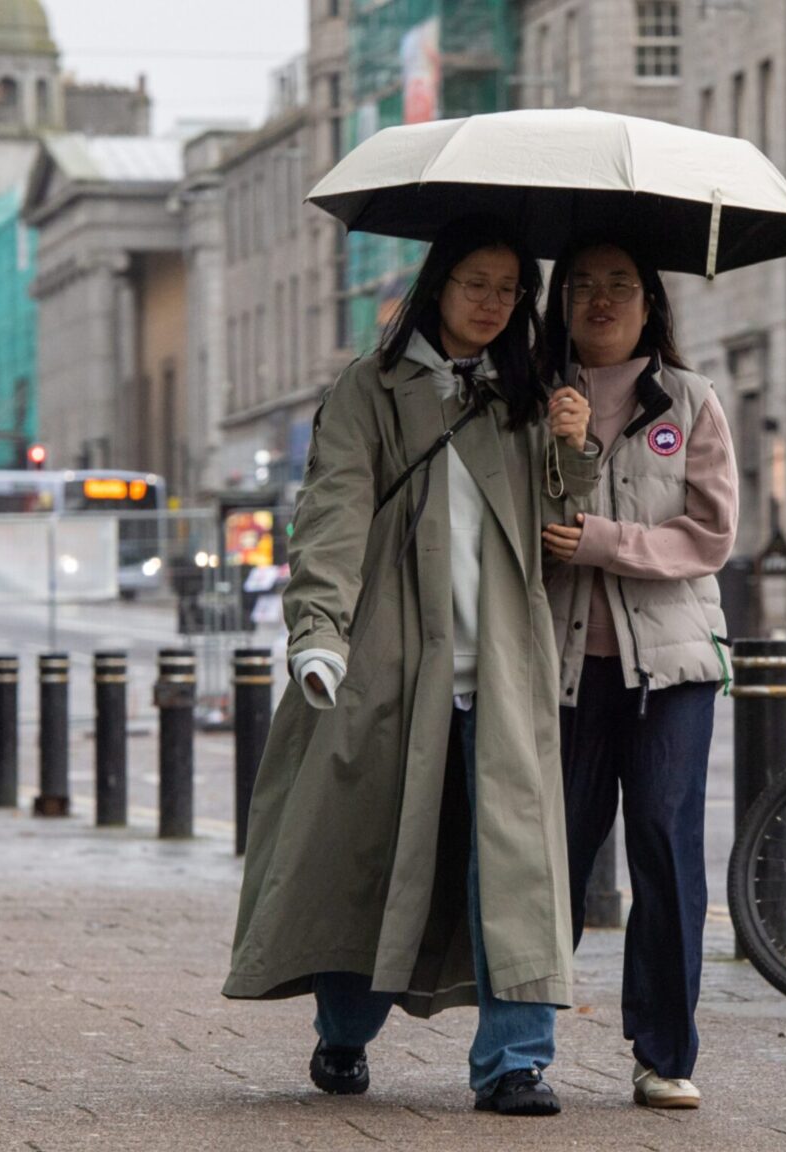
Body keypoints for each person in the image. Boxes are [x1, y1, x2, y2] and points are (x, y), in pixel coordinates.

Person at [223, 216, 598, 1118]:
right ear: (436, 286)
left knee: (513, 864)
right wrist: (318, 631)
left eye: (510, 288)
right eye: (476, 282)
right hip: (390, 666)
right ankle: (344, 1032)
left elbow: (558, 526)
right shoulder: (372, 388)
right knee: (372, 852)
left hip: (505, 668)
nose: (492, 302)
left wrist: (574, 448)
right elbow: (334, 513)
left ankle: (516, 1061)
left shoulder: (533, 392)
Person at [538, 239, 738, 1110]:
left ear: (652, 304)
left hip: (672, 669)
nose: (603, 300)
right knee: (555, 854)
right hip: (562, 665)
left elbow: (709, 536)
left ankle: (664, 1051)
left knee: (662, 840)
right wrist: (560, 447)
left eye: (621, 285)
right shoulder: (536, 399)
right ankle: (522, 1044)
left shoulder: (690, 401)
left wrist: (606, 543)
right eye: (584, 286)